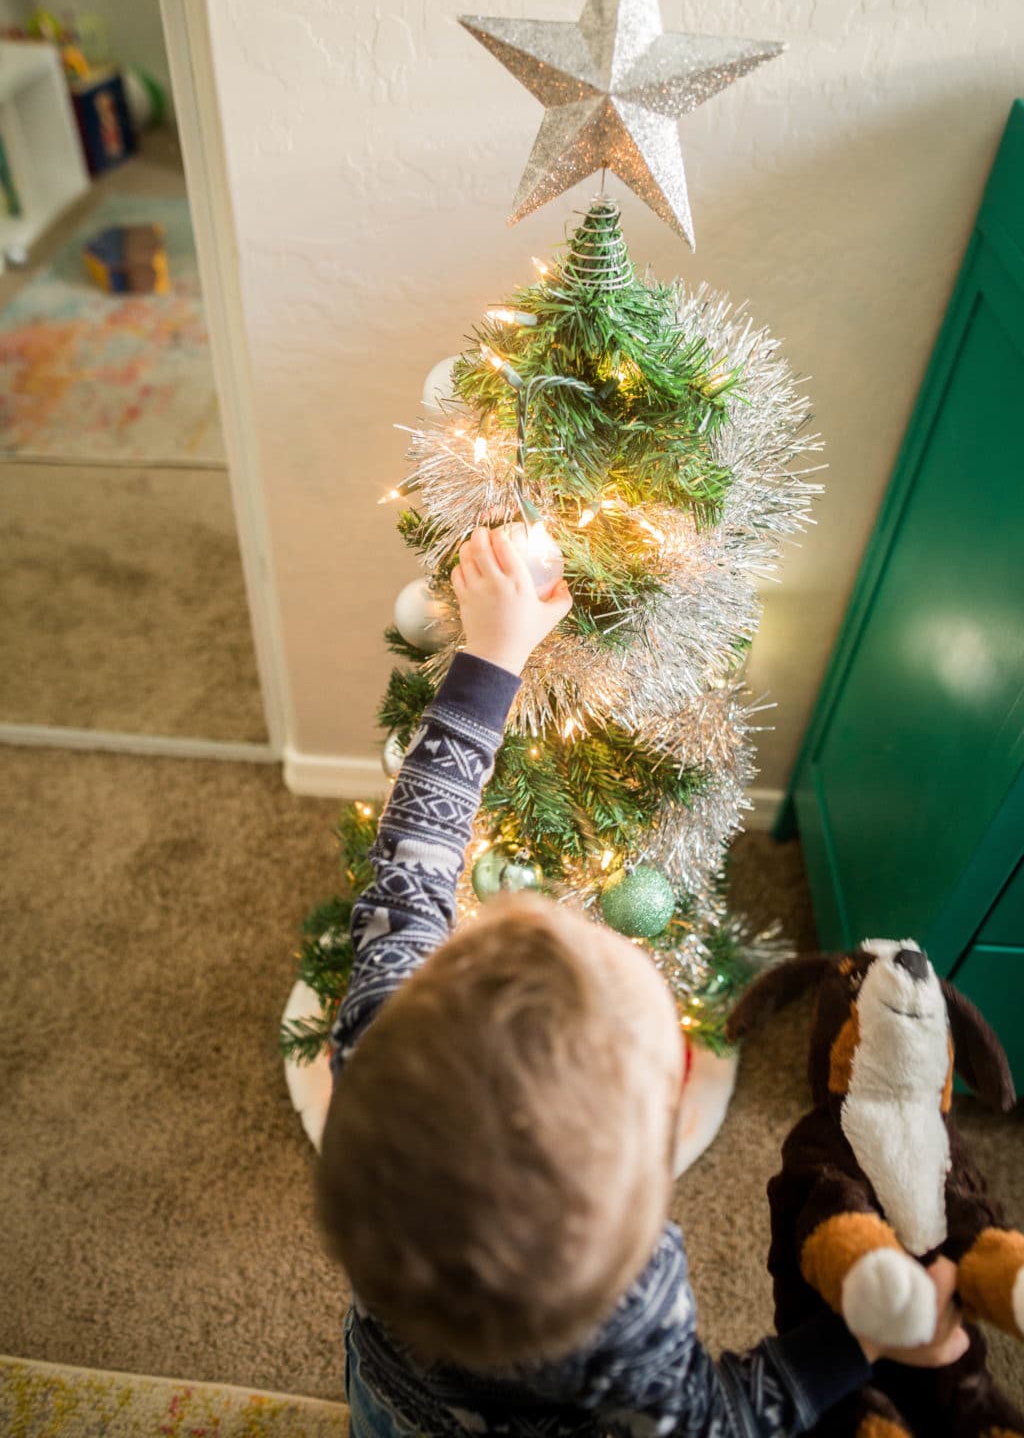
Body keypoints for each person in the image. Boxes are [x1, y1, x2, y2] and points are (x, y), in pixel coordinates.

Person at [317, 525, 967, 1437]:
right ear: (645, 1182)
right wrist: (856, 1346)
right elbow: (715, 1418)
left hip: (389, 1400)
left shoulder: (372, 1050)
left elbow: (413, 861)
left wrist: (492, 652)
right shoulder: (630, 1306)